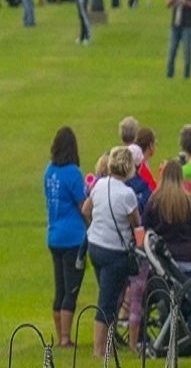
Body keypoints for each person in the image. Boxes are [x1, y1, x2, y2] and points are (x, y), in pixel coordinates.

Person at [82, 146, 139, 358]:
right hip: (115, 251)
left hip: (95, 246)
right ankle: (99, 350)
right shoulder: (128, 194)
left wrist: (95, 226)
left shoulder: (99, 185)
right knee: (107, 300)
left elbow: (86, 210)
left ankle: (108, 343)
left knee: (110, 294)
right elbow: (136, 222)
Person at [44, 126, 87, 348]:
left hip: (54, 235)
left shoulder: (49, 171)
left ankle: (60, 333)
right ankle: (65, 338)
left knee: (59, 287)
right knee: (72, 287)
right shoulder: (73, 173)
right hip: (72, 237)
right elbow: (83, 206)